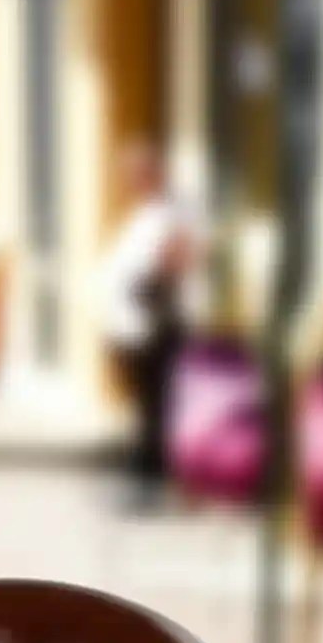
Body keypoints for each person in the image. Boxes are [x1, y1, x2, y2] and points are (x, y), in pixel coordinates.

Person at [102, 141, 202, 509]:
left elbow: (176, 258)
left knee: (155, 409)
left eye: (137, 173)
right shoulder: (146, 214)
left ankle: (148, 481)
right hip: (133, 327)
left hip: (154, 327)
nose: (130, 181)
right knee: (146, 408)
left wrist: (150, 286)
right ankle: (146, 475)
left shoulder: (170, 213)